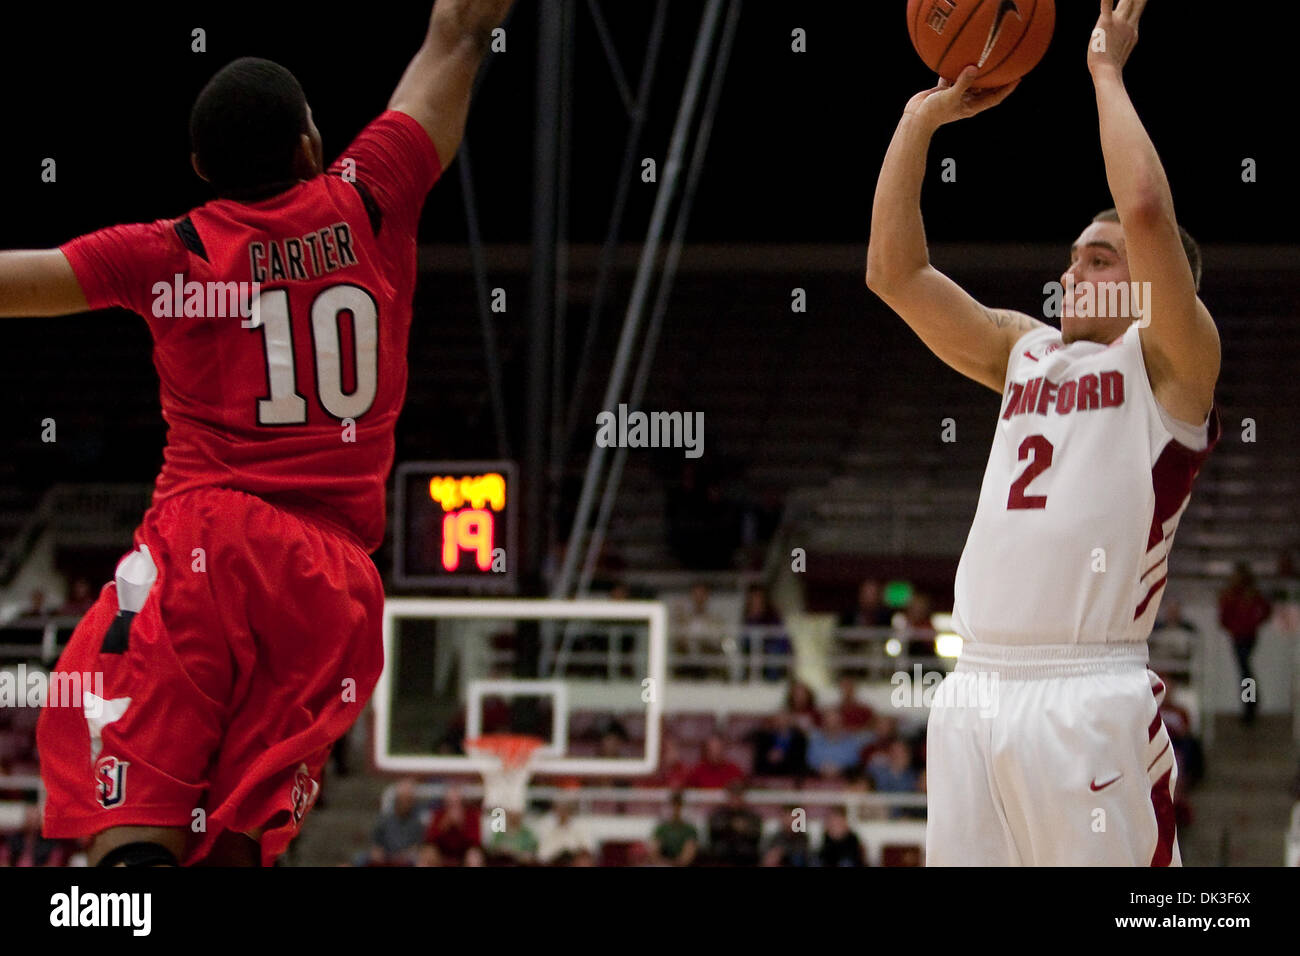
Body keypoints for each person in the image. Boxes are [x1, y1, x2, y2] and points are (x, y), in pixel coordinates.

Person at [22, 0, 518, 867]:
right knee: (237, 843)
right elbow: (459, 33)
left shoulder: (167, 250)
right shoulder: (371, 196)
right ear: (308, 148)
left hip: (208, 537)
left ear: (200, 168)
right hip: (329, 581)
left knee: (133, 819)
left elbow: (20, 283)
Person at [867, 1, 1220, 866]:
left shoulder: (1173, 365)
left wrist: (1104, 70)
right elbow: (895, 273)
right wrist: (919, 122)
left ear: (1154, 283)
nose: (1074, 270)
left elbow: (1142, 206)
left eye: (1099, 259)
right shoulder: (1022, 350)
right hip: (974, 694)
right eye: (1073, 256)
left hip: (1087, 694)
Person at [1218, 562, 1273, 725]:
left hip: (1248, 637)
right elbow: (1224, 616)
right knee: (1245, 671)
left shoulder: (1251, 594)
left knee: (1245, 671)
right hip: (1238, 637)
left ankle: (1250, 706)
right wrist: (1234, 627)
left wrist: (1253, 623)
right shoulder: (1231, 595)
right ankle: (1250, 704)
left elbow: (1265, 610)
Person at [355, 778, 426, 866]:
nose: (404, 803)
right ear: (396, 799)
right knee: (360, 858)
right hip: (386, 854)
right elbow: (376, 841)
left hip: (406, 857)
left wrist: (407, 855)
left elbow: (417, 846)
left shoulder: (418, 822)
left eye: (408, 800)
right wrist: (377, 851)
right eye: (402, 799)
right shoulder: (384, 819)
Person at [419, 784, 480, 866]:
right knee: (427, 854)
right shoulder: (438, 814)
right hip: (441, 854)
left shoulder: (471, 815)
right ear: (445, 802)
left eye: (456, 802)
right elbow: (429, 840)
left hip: (463, 854)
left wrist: (462, 826)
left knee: (474, 856)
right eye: (450, 802)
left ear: (462, 802)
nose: (453, 806)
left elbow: (476, 842)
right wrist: (443, 826)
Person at [705, 780, 762, 866]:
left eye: (738, 796)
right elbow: (713, 829)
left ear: (742, 797)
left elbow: (757, 833)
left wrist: (745, 829)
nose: (735, 800)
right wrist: (730, 825)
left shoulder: (751, 815)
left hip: (744, 850)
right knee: (719, 850)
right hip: (724, 847)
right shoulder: (719, 813)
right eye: (733, 796)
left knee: (747, 851)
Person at [536, 799, 596, 865]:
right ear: (555, 811)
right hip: (553, 860)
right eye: (560, 810)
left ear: (570, 811)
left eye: (565, 810)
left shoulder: (580, 826)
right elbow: (542, 853)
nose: (563, 813)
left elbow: (587, 847)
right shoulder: (545, 825)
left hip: (573, 859)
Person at [650, 791, 699, 867]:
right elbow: (654, 853)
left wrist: (673, 863)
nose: (675, 809)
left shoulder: (690, 829)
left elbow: (687, 858)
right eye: (673, 805)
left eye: (678, 805)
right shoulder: (661, 828)